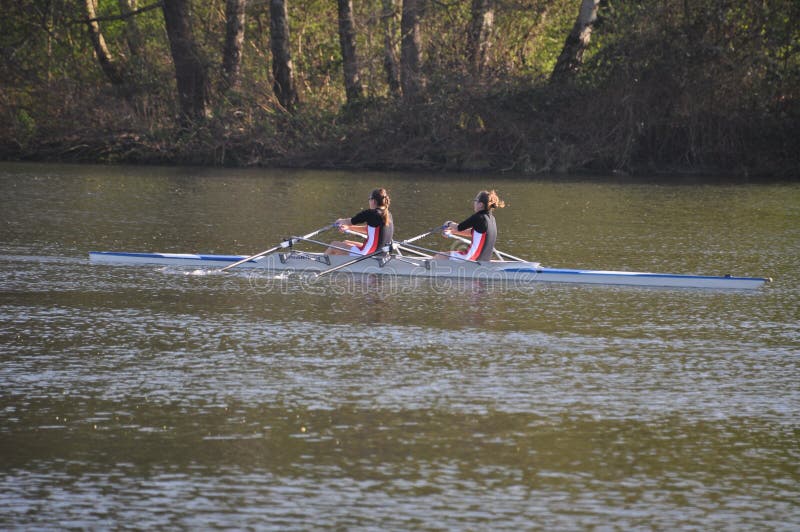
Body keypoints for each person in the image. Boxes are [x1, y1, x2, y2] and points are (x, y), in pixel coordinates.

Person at [439, 189, 505, 261]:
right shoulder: (492, 219)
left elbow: (459, 227)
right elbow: (473, 233)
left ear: (481, 204)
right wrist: (452, 232)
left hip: (472, 257)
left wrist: (448, 223)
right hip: (484, 260)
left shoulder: (478, 217)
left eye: (475, 200)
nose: (474, 203)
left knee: (440, 256)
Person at [326, 188, 394, 255]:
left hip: (368, 254)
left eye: (369, 199)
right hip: (381, 253)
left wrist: (340, 221)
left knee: (333, 245)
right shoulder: (388, 214)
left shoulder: (371, 213)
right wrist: (349, 228)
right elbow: (368, 229)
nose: (369, 201)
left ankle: (320, 263)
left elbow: (350, 221)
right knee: (345, 242)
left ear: (373, 201)